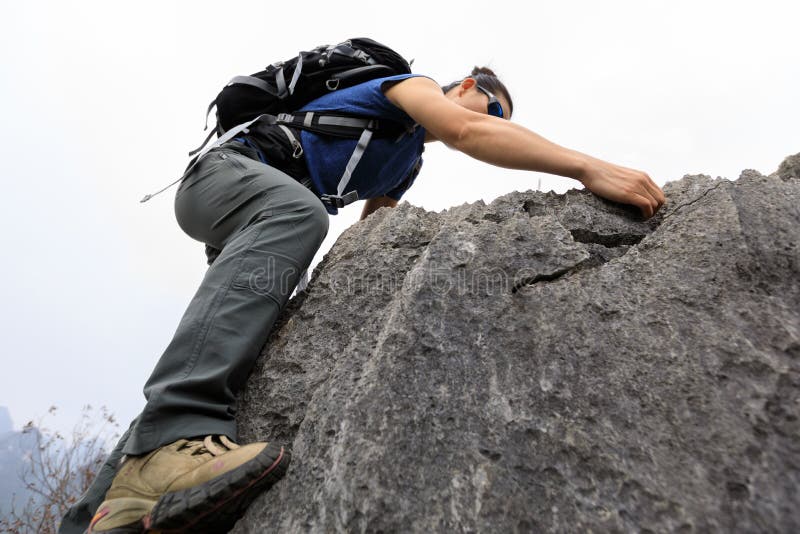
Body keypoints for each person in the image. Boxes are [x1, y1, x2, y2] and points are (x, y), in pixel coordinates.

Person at [60, 66, 665, 533]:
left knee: (234, 340)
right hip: (227, 178)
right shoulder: (411, 86)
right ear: (464, 86)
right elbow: (466, 130)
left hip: (256, 220)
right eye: (496, 108)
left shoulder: (403, 165)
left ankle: (103, 509)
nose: (499, 121)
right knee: (300, 215)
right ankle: (172, 438)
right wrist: (587, 166)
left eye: (505, 117)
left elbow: (371, 241)